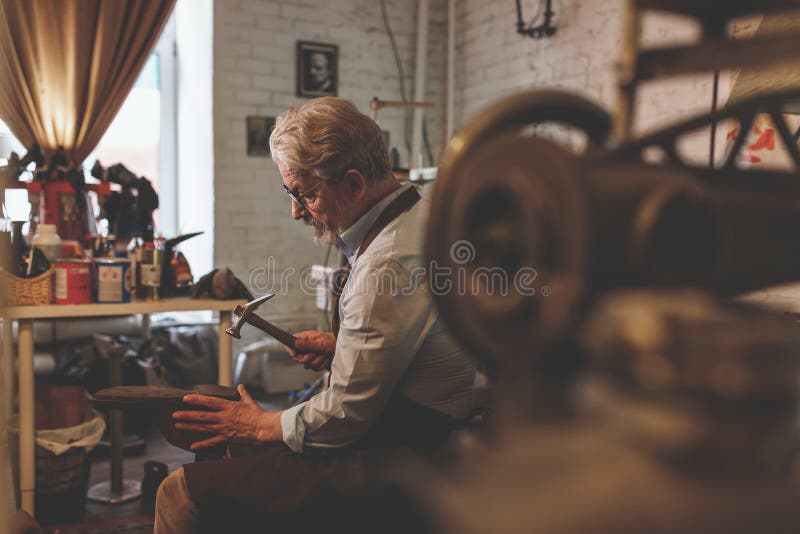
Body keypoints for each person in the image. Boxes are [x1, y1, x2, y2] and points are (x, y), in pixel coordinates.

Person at [154, 97, 475, 533]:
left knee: (177, 492)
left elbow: (343, 415)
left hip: (394, 457)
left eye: (305, 194)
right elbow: (411, 342)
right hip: (398, 430)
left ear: (354, 185)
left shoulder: (386, 266)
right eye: (292, 193)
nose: (295, 211)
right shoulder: (420, 217)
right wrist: (343, 347)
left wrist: (260, 423)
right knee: (232, 453)